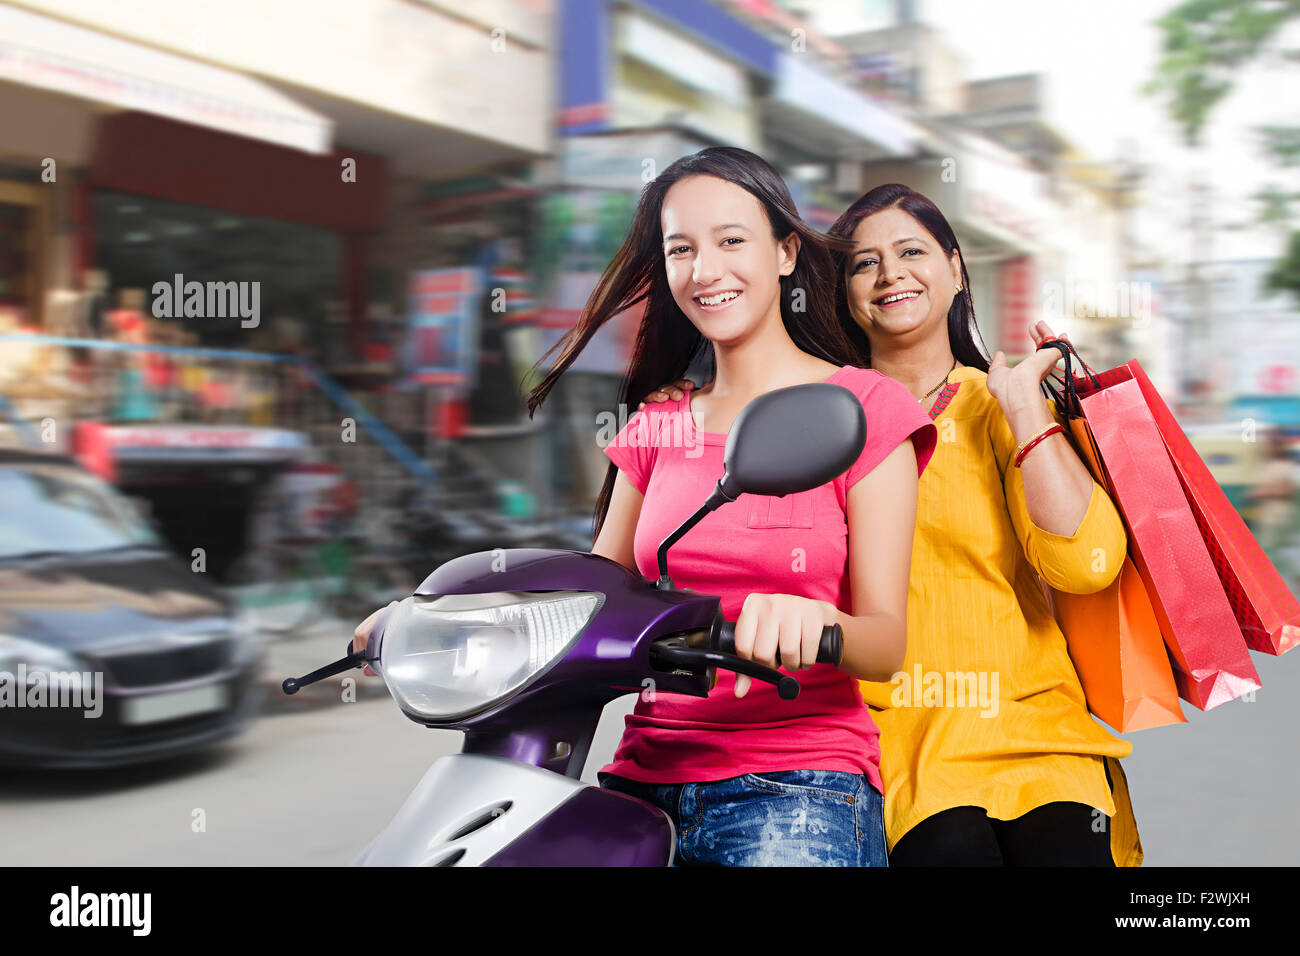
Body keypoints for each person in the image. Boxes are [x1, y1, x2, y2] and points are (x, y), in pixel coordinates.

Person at [355, 148, 937, 866]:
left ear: (786, 252)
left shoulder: (867, 410)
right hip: (641, 776)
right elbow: (592, 597)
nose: (705, 270)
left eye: (731, 241)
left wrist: (816, 621)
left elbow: (885, 644)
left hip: (798, 783)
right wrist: (425, 616)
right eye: (681, 249)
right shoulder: (660, 421)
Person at [642, 182, 1142, 866]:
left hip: (1034, 729)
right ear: (841, 290)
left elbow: (1085, 564)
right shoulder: (814, 415)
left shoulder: (996, 404)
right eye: (863, 263)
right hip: (893, 736)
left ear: (956, 268)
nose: (890, 275)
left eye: (912, 251)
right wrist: (691, 409)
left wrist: (1025, 409)